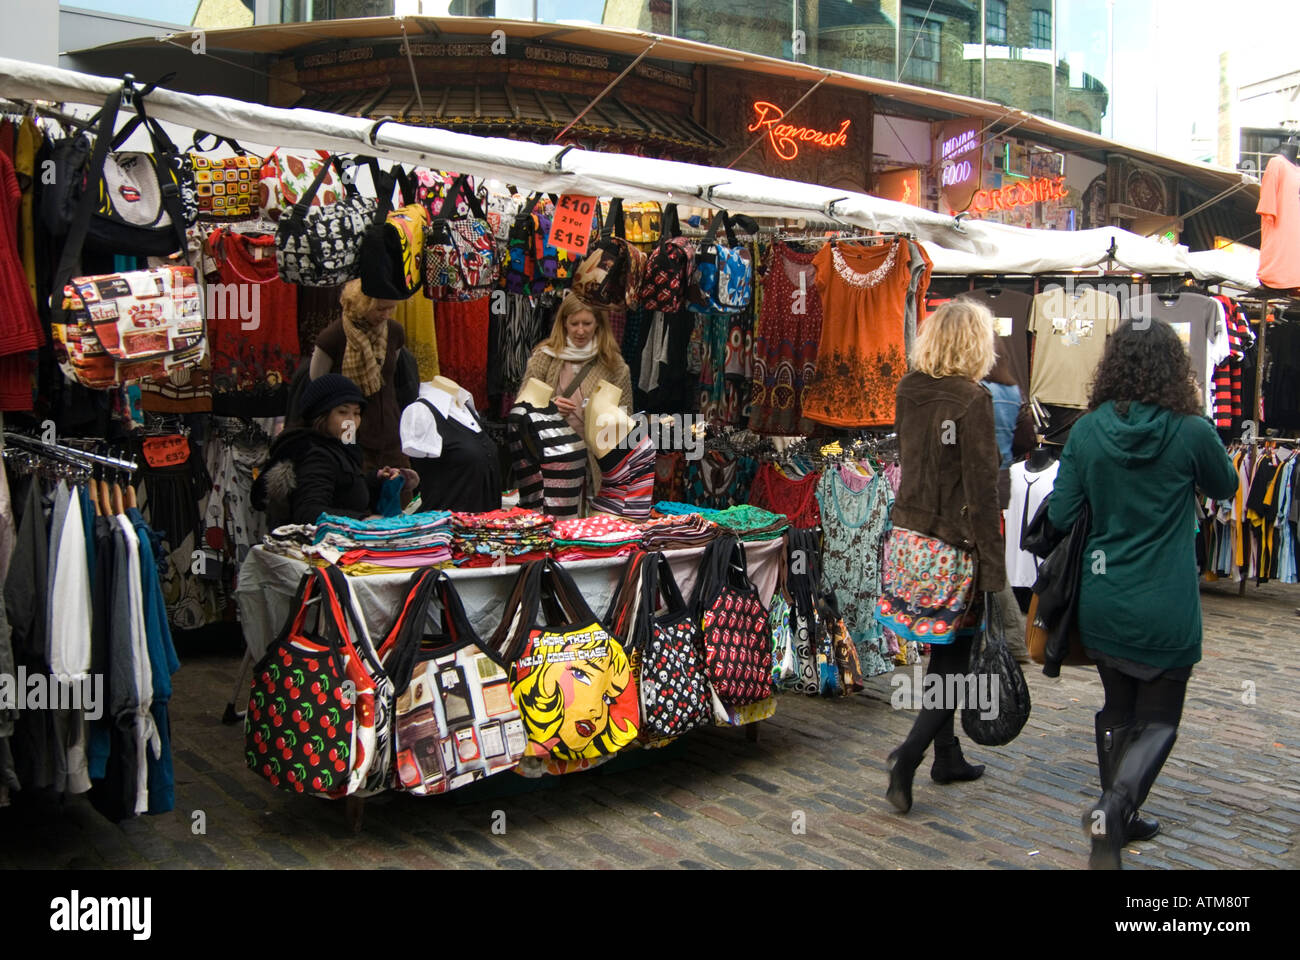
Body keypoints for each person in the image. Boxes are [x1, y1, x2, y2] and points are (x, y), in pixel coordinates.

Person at [1048, 318, 1237, 869]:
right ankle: (1115, 808)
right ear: (1175, 370)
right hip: (1166, 603)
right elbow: (1225, 485)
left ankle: (1119, 818)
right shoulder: (1191, 430)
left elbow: (1060, 514)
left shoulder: (1085, 431)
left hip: (1104, 598)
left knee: (1118, 709)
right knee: (1159, 721)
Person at [876, 300, 1006, 813]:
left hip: (911, 541)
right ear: (975, 343)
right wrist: (995, 571)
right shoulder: (972, 399)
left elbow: (911, 460)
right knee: (954, 662)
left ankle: (946, 755)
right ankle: (907, 756)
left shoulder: (909, 388)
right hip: (954, 548)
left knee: (940, 653)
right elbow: (982, 487)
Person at [253, 373, 418, 528]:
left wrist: (375, 480)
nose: (351, 421)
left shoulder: (342, 447)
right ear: (321, 414)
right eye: (342, 412)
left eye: (357, 413)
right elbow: (308, 512)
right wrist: (363, 521)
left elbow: (341, 489)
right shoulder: (314, 454)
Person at [309, 279, 408, 474]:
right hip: (349, 430)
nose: (386, 315)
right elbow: (317, 384)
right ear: (363, 305)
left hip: (388, 428)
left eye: (391, 309)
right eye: (380, 309)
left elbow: (389, 375)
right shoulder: (333, 337)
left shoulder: (394, 332)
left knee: (399, 491)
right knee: (357, 488)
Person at [983, 345, 1036, 663]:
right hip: (1001, 483)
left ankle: (1012, 640)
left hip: (978, 486)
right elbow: (1027, 439)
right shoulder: (1009, 390)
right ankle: (1008, 638)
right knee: (992, 558)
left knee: (990, 565)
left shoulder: (976, 392)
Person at [521, 294, 632, 434]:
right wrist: (549, 408)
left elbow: (625, 419)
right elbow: (522, 410)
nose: (580, 331)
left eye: (587, 324)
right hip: (550, 450)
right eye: (574, 324)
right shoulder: (543, 358)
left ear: (597, 323)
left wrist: (602, 417)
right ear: (564, 323)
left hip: (593, 453)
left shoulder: (613, 364)